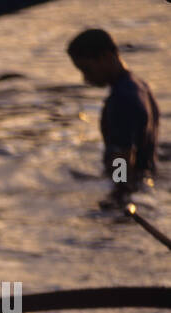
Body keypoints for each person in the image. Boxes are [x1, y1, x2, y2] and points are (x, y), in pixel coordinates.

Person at [67, 28, 159, 198]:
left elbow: (122, 157)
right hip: (146, 186)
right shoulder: (140, 86)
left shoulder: (121, 99)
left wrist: (118, 194)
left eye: (87, 69)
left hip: (132, 193)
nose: (85, 78)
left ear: (105, 57)